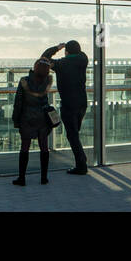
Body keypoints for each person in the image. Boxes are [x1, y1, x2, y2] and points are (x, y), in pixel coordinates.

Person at [44, 40, 90, 175]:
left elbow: (44, 59)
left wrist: (57, 47)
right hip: (82, 103)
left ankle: (81, 164)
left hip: (69, 104)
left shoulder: (60, 64)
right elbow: (80, 52)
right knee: (75, 133)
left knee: (72, 135)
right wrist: (71, 49)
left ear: (66, 52)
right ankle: (81, 159)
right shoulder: (83, 60)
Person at [11, 58, 54, 186]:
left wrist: (16, 120)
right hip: (43, 118)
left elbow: (18, 102)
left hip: (27, 118)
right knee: (44, 147)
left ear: (35, 67)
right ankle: (44, 177)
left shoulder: (25, 81)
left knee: (25, 147)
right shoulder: (48, 81)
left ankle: (22, 178)